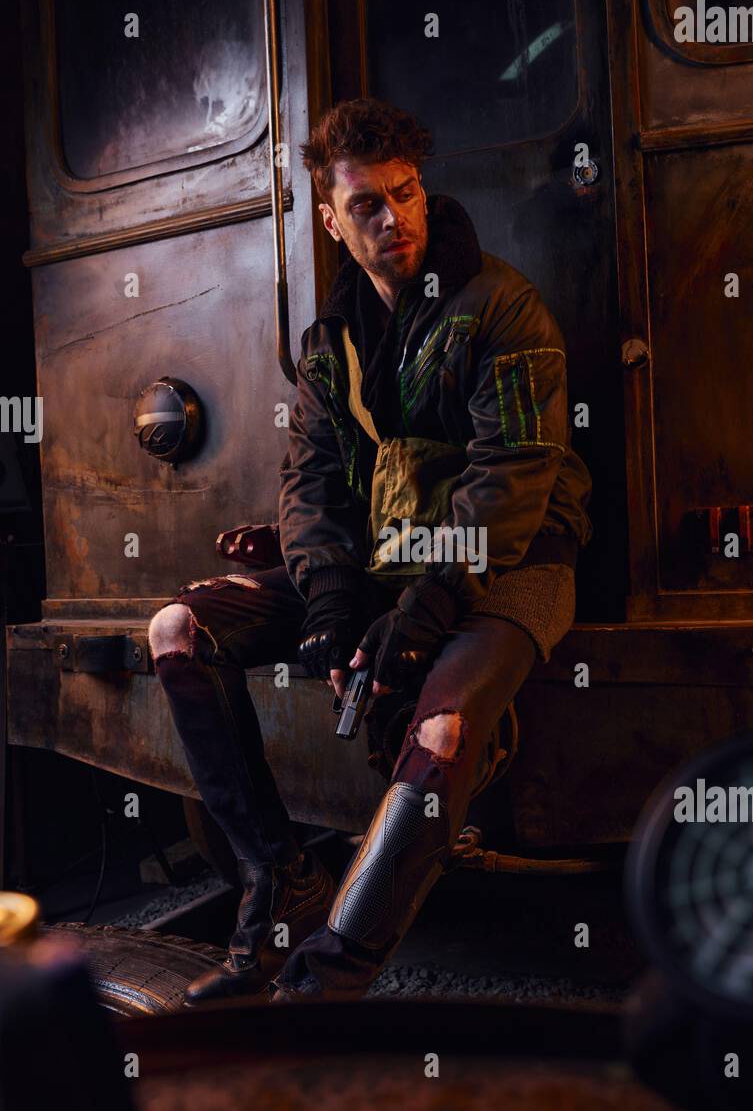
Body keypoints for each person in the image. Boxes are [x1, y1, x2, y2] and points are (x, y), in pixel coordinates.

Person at [147, 98, 591, 1005]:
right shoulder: (330, 342)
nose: (394, 218)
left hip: (516, 565)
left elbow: (512, 480)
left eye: (407, 192)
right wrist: (328, 602)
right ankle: (282, 882)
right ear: (331, 221)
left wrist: (427, 612)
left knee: (442, 730)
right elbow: (309, 481)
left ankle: (323, 987)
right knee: (178, 629)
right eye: (367, 205)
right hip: (388, 565)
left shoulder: (502, 308)